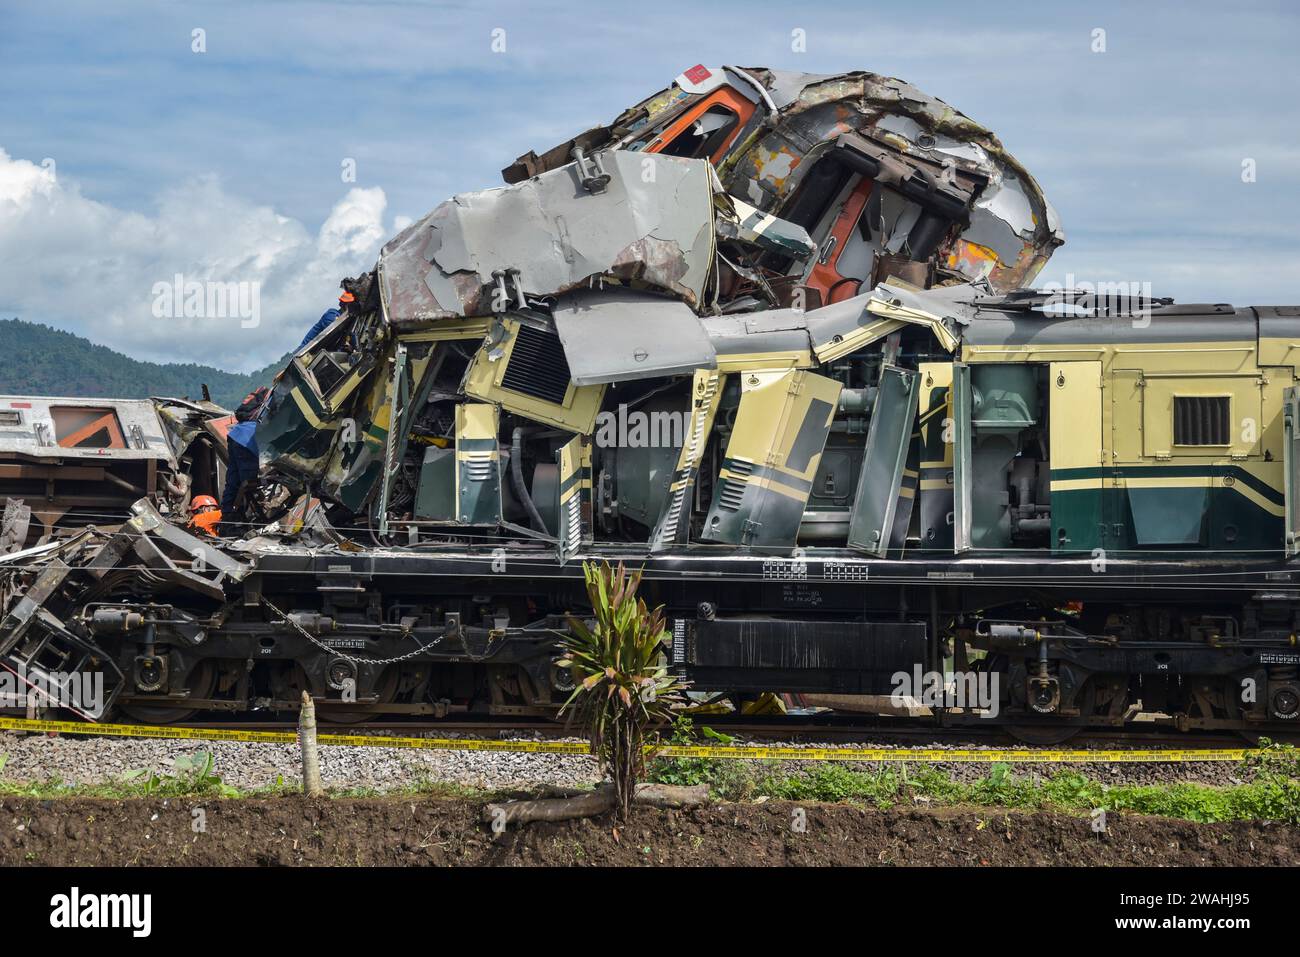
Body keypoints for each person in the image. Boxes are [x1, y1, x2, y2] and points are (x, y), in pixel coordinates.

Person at [221, 386, 270, 523]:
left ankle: (226, 518)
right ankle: (242, 519)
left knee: (233, 480)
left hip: (236, 435)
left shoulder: (262, 393)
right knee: (248, 484)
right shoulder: (274, 398)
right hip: (248, 439)